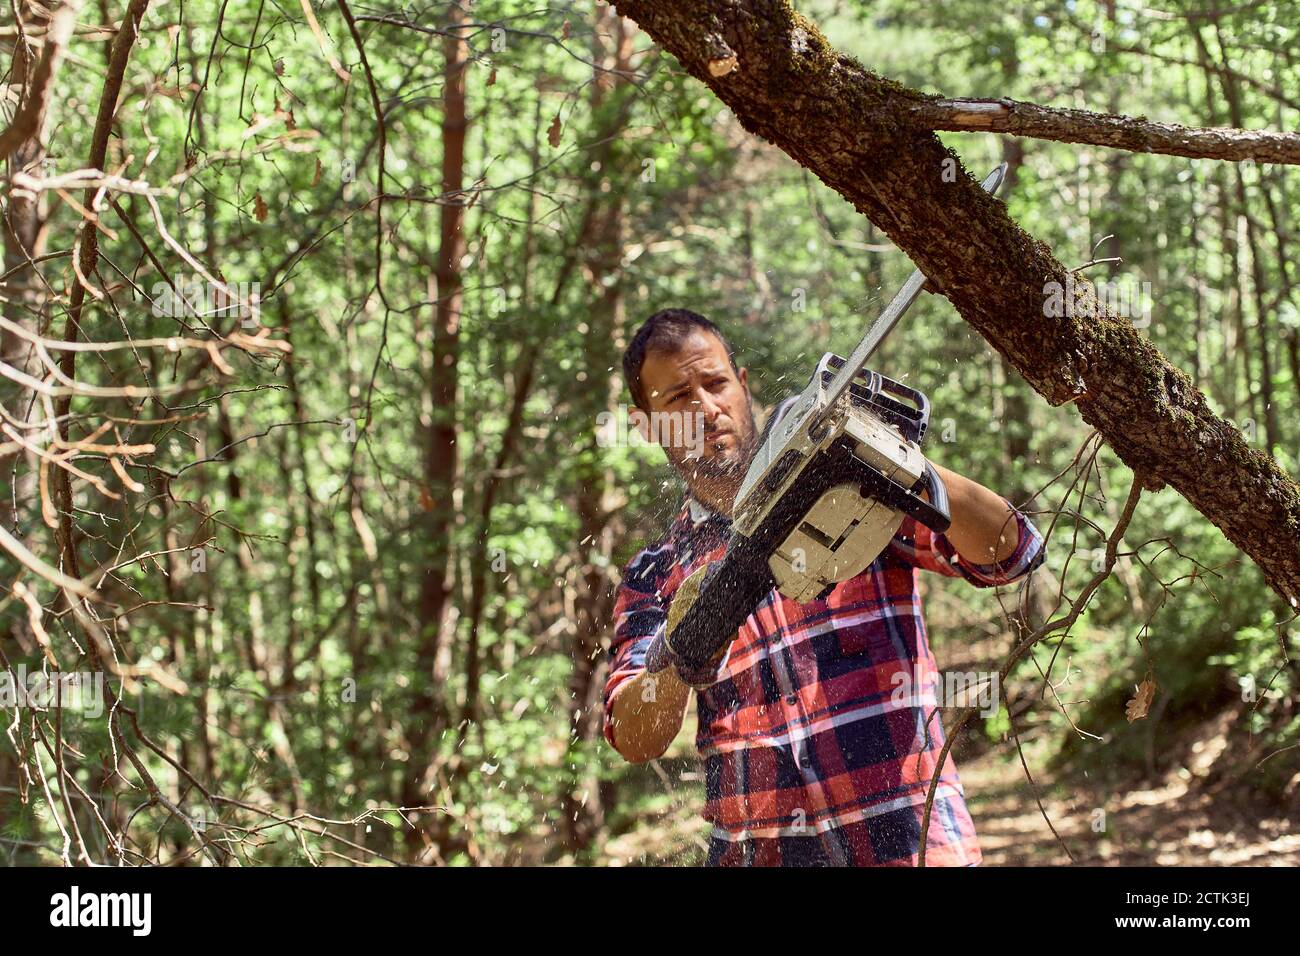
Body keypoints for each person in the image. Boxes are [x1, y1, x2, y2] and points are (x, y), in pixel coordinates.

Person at [601, 307, 1046, 866]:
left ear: (743, 387)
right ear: (647, 425)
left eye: (715, 384)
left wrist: (906, 469)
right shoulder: (654, 572)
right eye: (676, 398)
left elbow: (1013, 551)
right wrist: (680, 652)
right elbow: (634, 736)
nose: (706, 409)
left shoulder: (845, 480)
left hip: (911, 846)